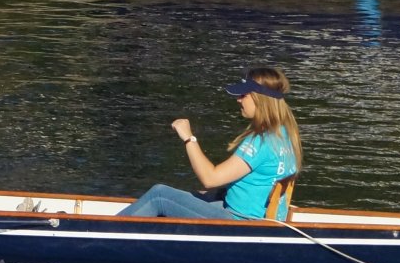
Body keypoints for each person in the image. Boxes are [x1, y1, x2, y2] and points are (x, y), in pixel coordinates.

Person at [119, 67, 302, 221]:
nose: (238, 99)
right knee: (198, 195)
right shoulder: (286, 134)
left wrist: (189, 138)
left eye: (243, 94)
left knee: (159, 195)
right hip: (255, 215)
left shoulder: (261, 141)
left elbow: (210, 178)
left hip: (239, 220)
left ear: (259, 98)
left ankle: (99, 231)